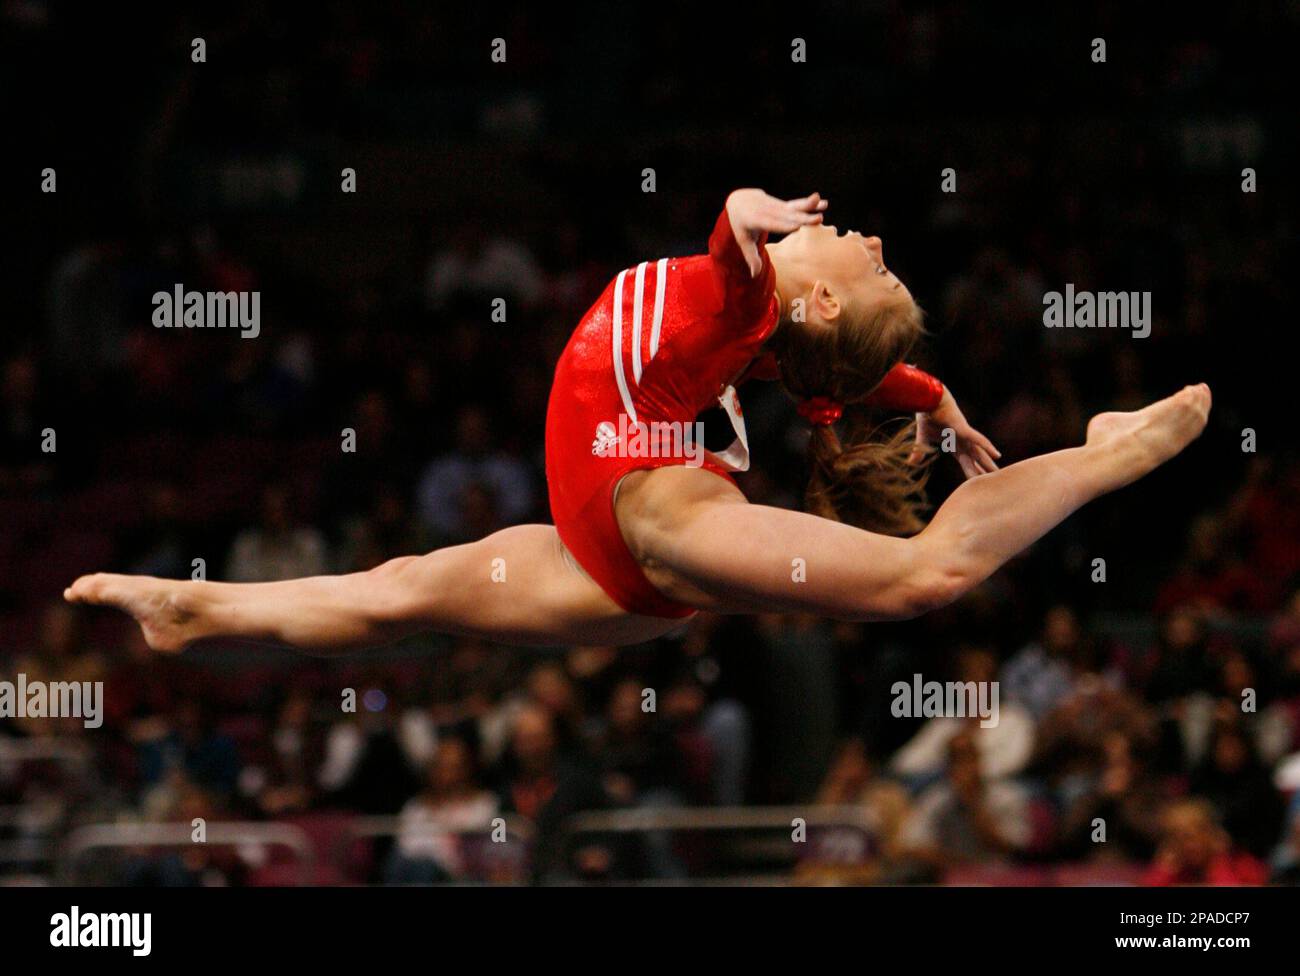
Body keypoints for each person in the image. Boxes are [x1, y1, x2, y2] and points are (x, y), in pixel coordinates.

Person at [64, 188, 1212, 653]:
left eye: (872, 264)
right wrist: (935, 396)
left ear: (810, 294)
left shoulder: (753, 289)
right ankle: (193, 607)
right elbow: (843, 380)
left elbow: (730, 248)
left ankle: (1101, 456)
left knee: (925, 575)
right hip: (607, 552)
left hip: (660, 520)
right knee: (397, 590)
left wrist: (744, 215)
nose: (868, 240)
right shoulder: (768, 333)